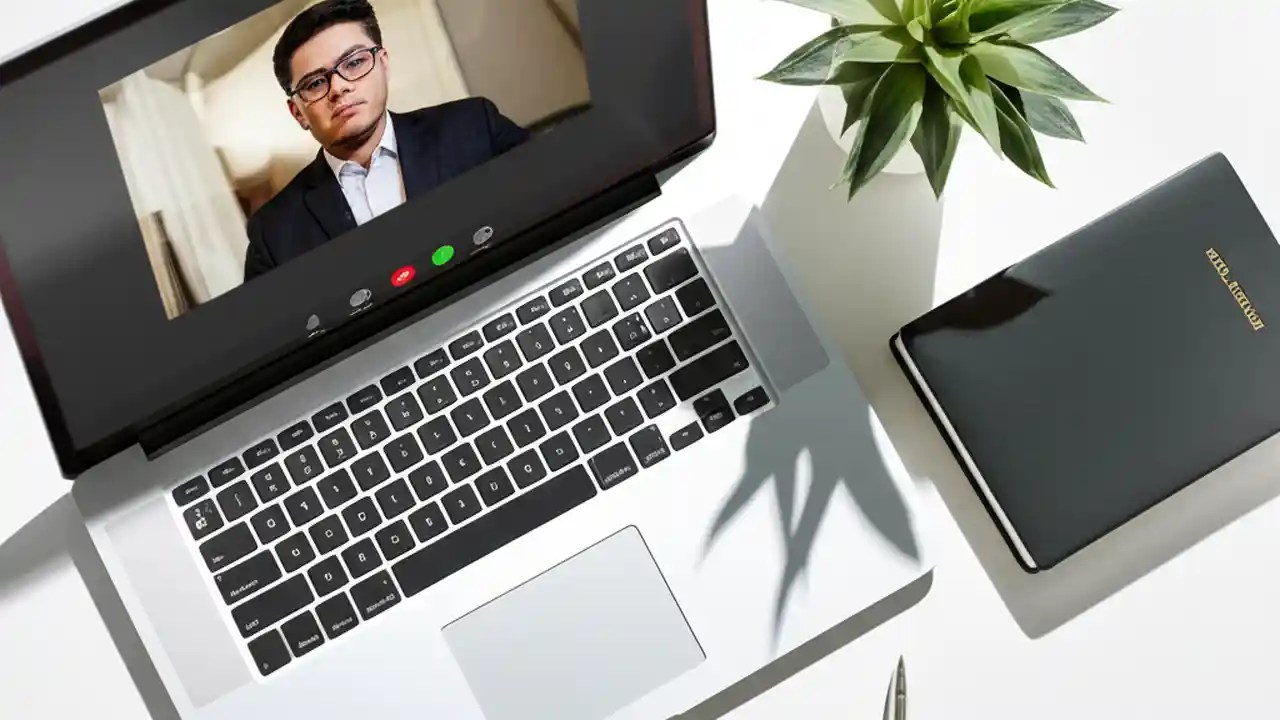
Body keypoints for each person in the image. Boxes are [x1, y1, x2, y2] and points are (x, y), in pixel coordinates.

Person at [243, 0, 530, 281]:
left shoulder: (472, 126)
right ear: (298, 113)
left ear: (383, 64)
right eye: (316, 83)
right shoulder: (273, 233)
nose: (339, 87)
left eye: (354, 63)